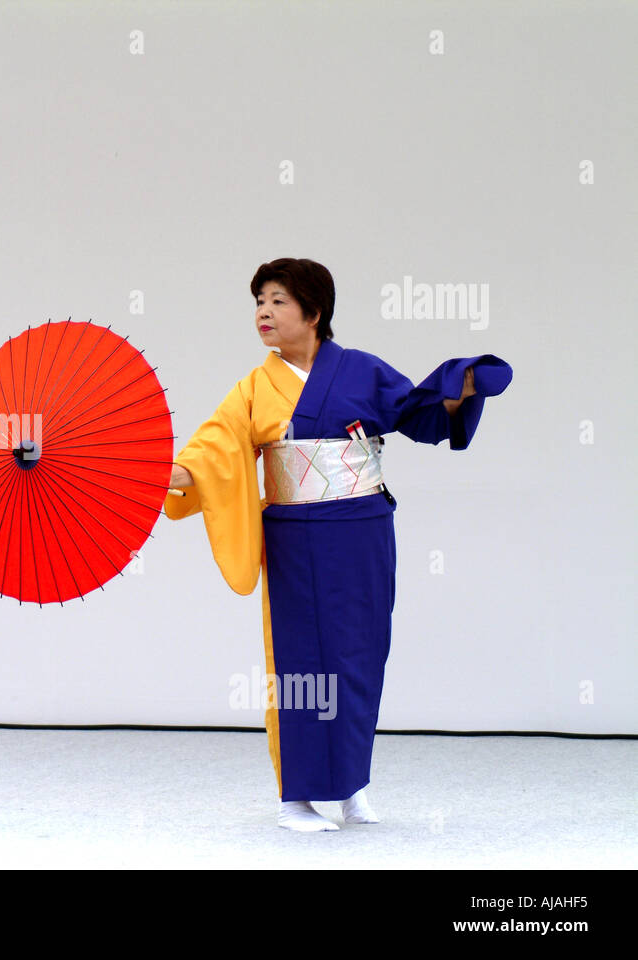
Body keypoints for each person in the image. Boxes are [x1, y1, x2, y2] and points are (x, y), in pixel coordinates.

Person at [162, 258, 511, 832]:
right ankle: (294, 798)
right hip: (295, 535)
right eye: (258, 302)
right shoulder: (254, 389)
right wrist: (150, 472)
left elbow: (419, 413)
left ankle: (352, 787)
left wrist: (462, 387)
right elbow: (208, 458)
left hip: (363, 527)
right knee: (300, 660)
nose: (264, 313)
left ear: (314, 311)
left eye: (277, 300)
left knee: (360, 653)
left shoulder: (359, 371)